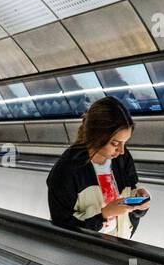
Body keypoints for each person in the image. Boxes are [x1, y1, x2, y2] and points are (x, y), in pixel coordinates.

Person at [46, 97, 149, 240]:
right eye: (115, 143)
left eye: (125, 143)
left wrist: (140, 206)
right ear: (97, 136)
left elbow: (130, 199)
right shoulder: (67, 170)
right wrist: (103, 215)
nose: (122, 150)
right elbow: (62, 225)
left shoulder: (122, 159)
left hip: (121, 243)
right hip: (89, 251)